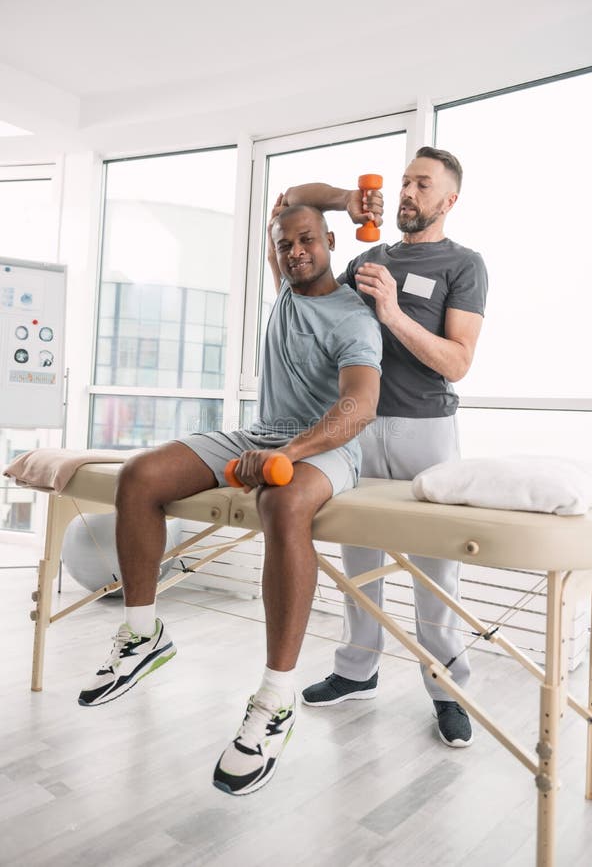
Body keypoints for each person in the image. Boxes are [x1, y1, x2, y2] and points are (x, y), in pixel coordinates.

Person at [78, 205, 382, 796]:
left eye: (308, 241)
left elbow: (358, 407)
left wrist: (290, 456)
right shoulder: (287, 288)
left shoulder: (352, 317)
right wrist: (346, 194)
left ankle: (276, 697)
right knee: (139, 476)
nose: (295, 251)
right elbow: (290, 203)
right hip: (259, 431)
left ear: (331, 243)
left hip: (325, 448)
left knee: (283, 505)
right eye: (285, 244)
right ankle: (143, 634)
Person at [273, 146, 488, 747]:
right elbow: (292, 201)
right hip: (358, 428)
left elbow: (459, 361)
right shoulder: (367, 256)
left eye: (423, 185)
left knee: (434, 569)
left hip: (426, 429)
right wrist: (343, 199)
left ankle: (447, 690)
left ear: (448, 200)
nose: (408, 193)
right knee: (359, 560)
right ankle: (354, 671)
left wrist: (392, 311)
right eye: (404, 182)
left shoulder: (464, 264)